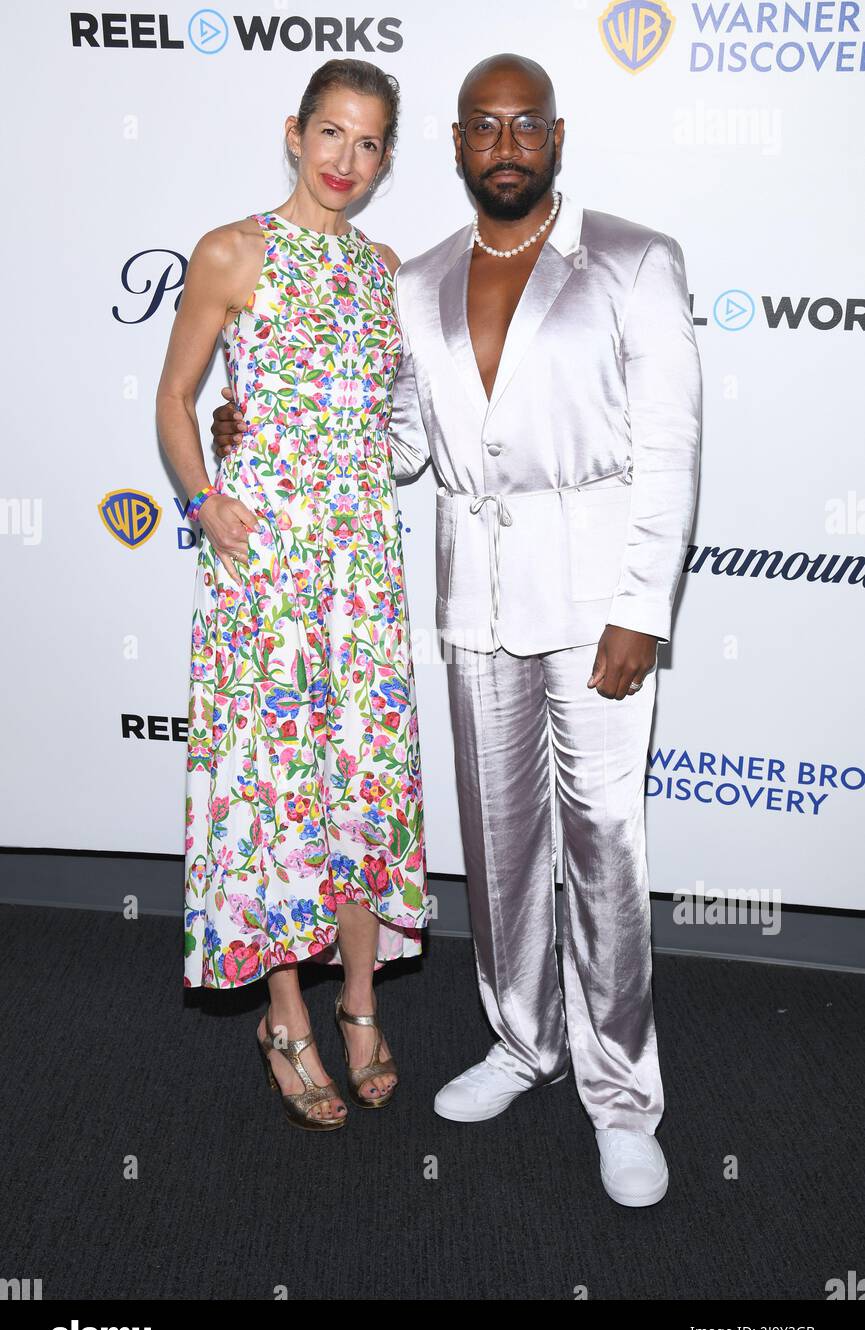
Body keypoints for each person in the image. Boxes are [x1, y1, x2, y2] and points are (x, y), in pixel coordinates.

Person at [214, 52, 702, 1204]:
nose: (504, 144)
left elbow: (671, 451)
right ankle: (523, 1043)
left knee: (607, 854)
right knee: (499, 851)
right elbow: (390, 442)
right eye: (481, 127)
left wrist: (641, 608)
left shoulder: (630, 258)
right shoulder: (419, 278)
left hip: (597, 613)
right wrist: (264, 421)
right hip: (472, 605)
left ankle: (621, 1095)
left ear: (557, 135)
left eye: (523, 124)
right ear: (454, 145)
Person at [157, 58, 430, 1132]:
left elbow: (395, 428)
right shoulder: (231, 251)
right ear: (293, 131)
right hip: (265, 573)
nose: (343, 161)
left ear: (385, 160)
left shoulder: (383, 271)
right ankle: (287, 1019)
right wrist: (202, 503)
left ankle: (360, 1000)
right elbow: (178, 399)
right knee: (281, 796)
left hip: (361, 571)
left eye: (367, 145)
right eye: (329, 134)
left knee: (363, 780)